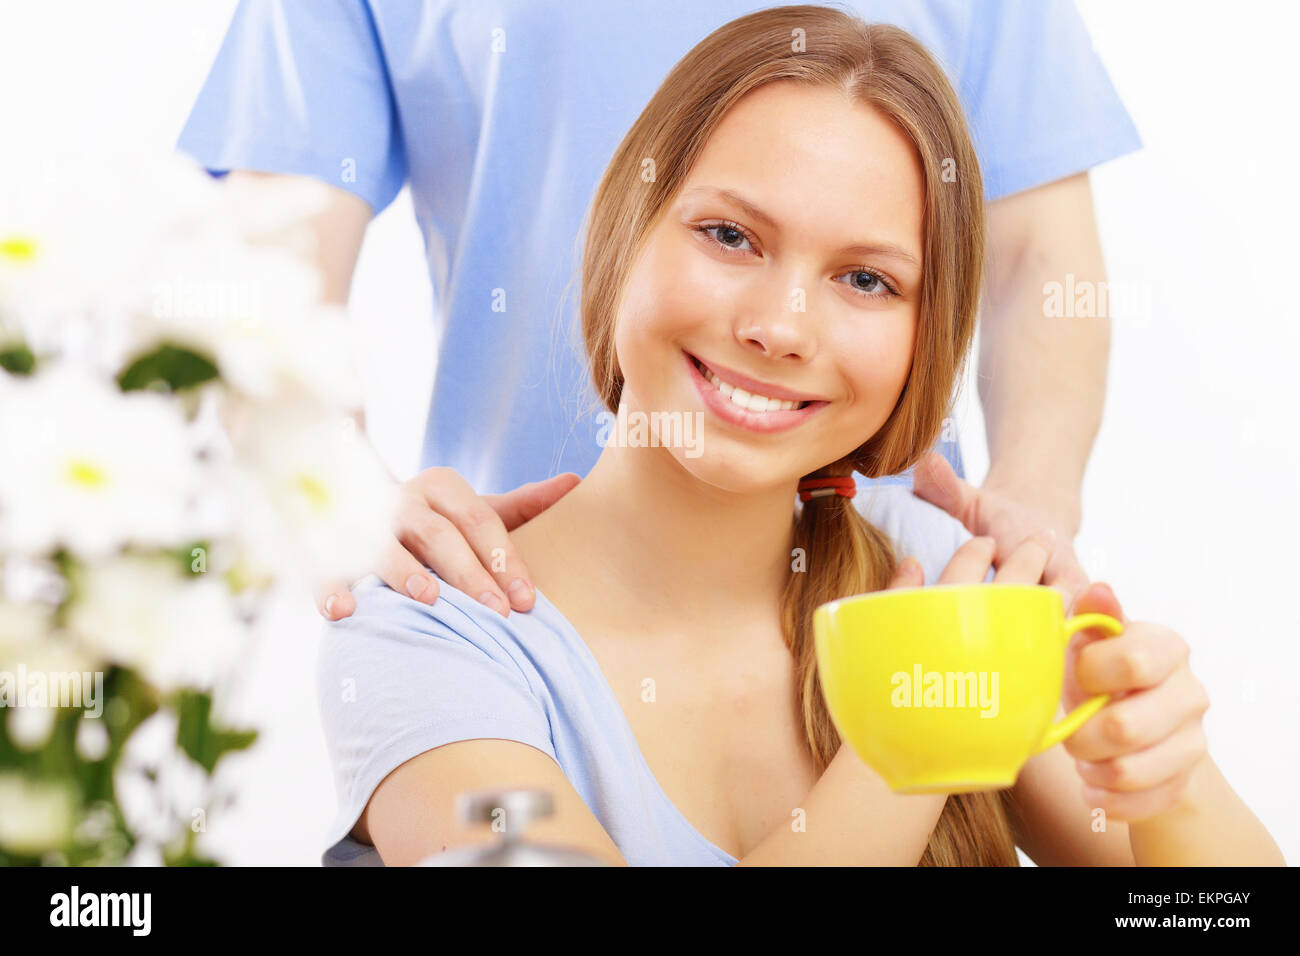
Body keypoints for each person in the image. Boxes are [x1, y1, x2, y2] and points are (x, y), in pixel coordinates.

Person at [316, 9, 1283, 866]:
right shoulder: (424, 640)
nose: (780, 327)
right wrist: (906, 755)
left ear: (922, 342)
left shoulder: (942, 581)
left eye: (868, 280)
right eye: (730, 236)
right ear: (622, 238)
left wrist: (1171, 785)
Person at [179, 0, 1138, 620]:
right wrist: (340, 502)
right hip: (518, 603)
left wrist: (1028, 518)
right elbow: (270, 257)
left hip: (889, 615)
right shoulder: (458, 680)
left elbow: (1033, 260)